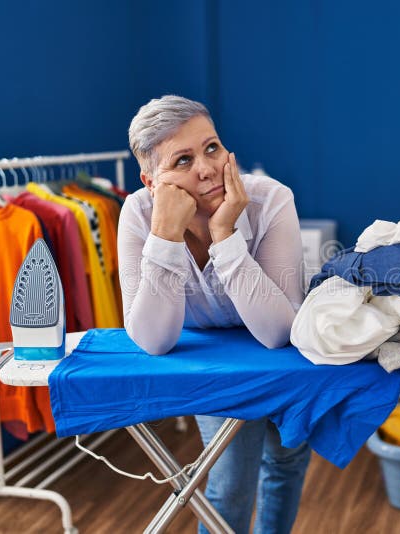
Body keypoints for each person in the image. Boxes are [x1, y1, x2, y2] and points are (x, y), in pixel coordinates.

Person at [120, 95, 311, 534]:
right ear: (152, 181)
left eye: (211, 148)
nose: (206, 168)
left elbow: (278, 332)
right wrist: (165, 234)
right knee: (230, 482)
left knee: (285, 458)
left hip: (282, 357)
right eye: (182, 160)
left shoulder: (271, 200)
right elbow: (153, 340)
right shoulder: (138, 214)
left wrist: (225, 235)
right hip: (215, 361)